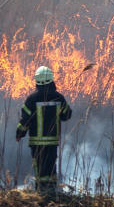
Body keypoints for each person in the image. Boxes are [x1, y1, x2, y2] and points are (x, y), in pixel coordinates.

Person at [15, 66, 72, 195]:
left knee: (40, 167)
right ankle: (51, 192)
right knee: (51, 167)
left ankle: (41, 193)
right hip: (52, 142)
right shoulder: (58, 98)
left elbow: (25, 120)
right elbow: (67, 115)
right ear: (51, 80)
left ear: (37, 81)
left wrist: (19, 133)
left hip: (36, 143)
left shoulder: (31, 99)